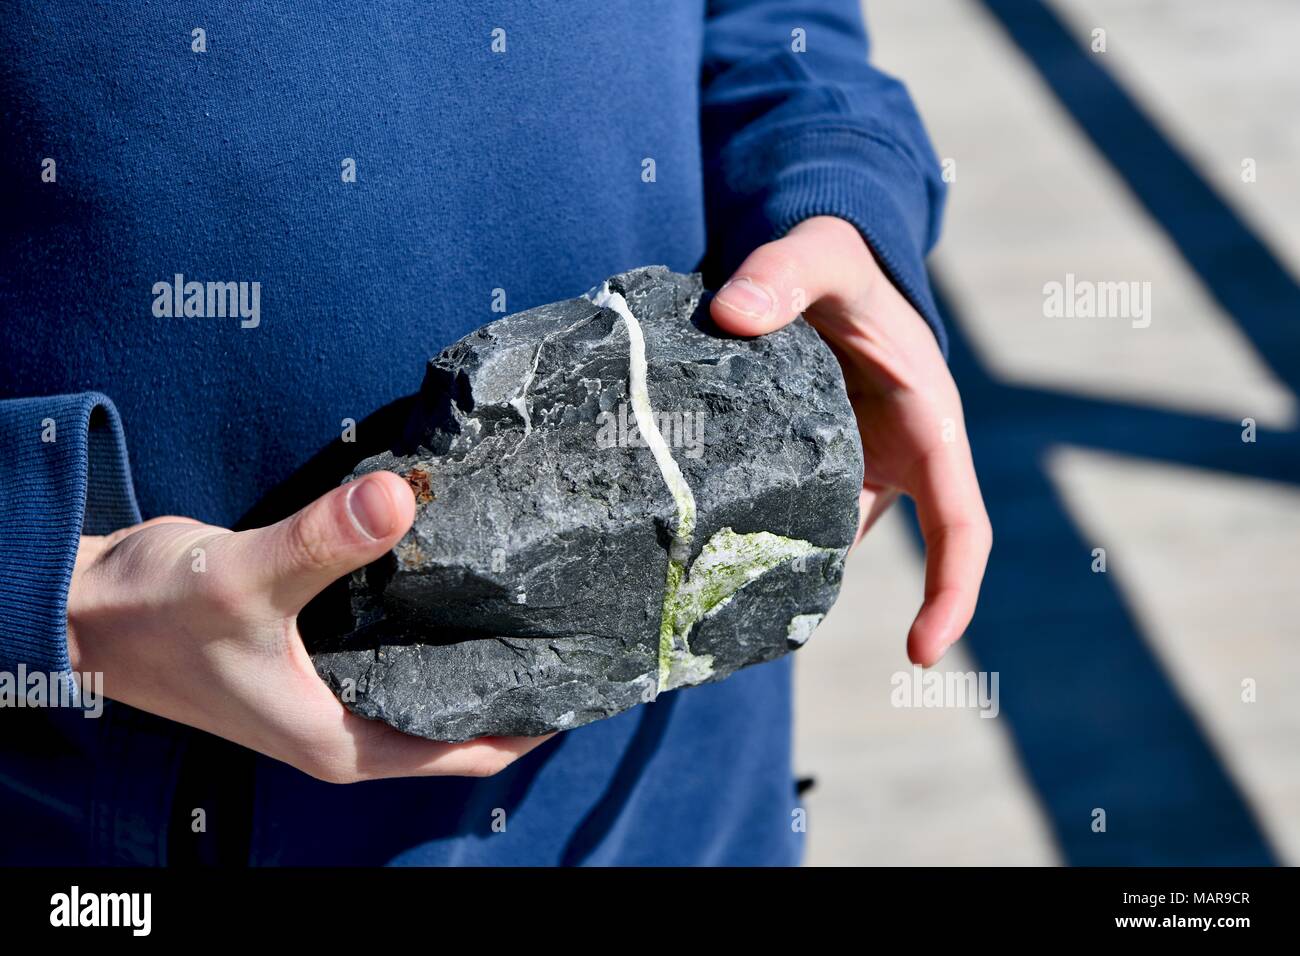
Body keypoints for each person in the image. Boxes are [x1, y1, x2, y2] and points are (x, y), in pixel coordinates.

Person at [0, 1, 990, 865]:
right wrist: (52, 586)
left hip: (668, 798)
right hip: (113, 813)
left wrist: (836, 181)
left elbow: (778, 23)